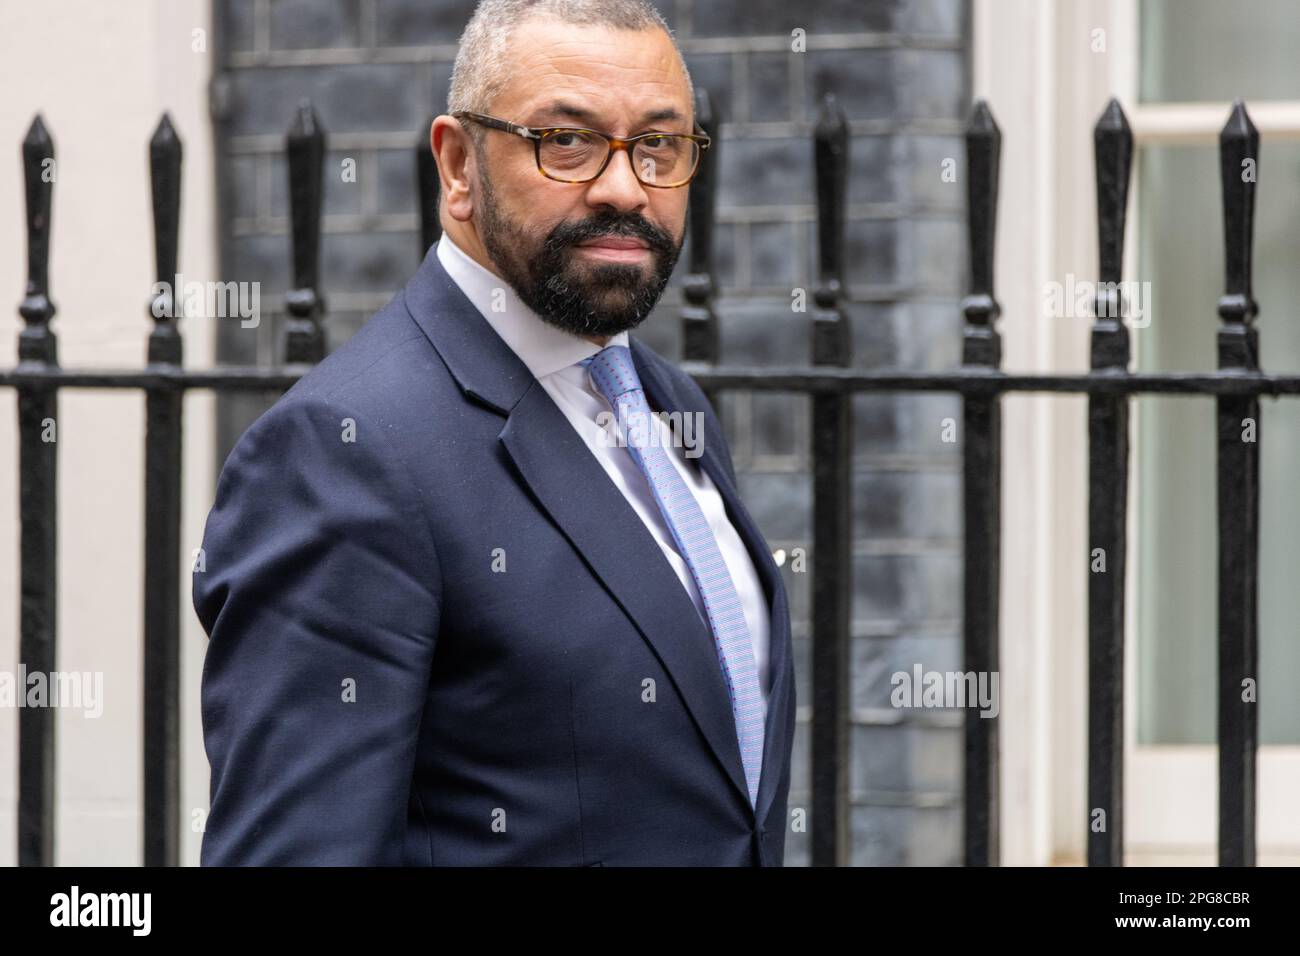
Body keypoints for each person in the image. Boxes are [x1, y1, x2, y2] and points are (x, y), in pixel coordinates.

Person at [194, 0, 795, 866]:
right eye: (567, 140)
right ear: (458, 164)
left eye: (659, 145)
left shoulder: (668, 401)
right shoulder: (345, 450)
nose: (625, 188)